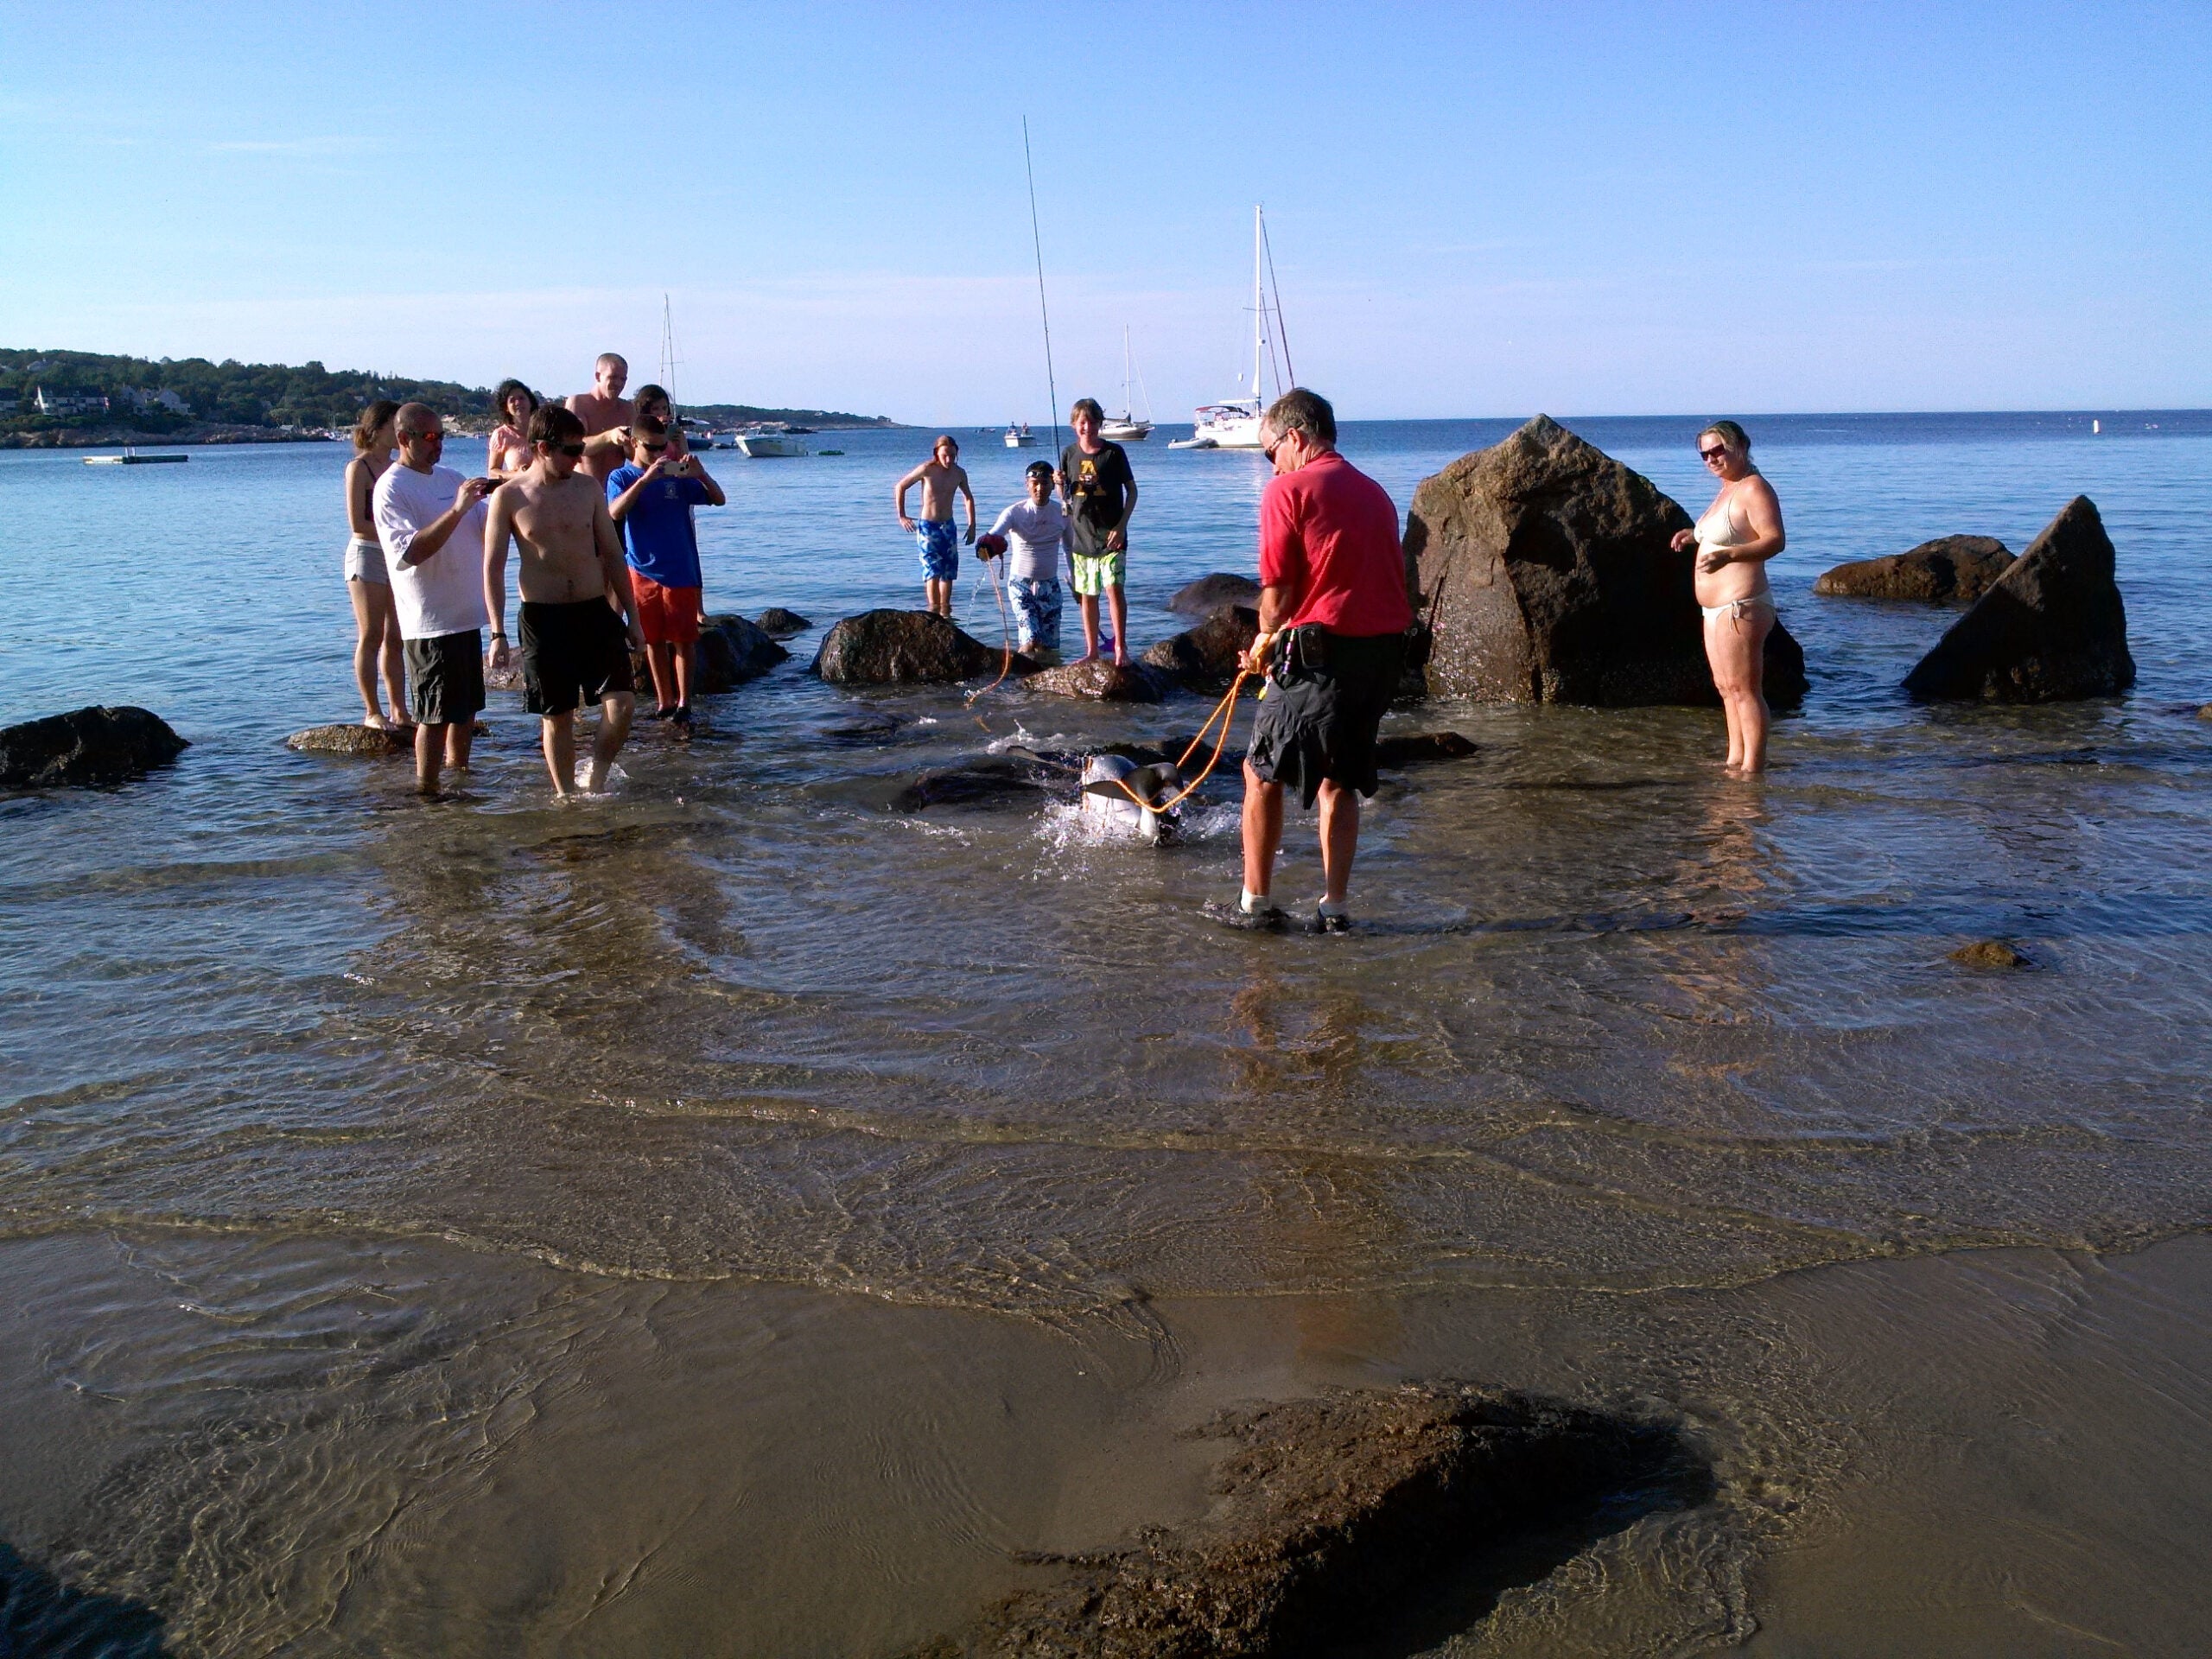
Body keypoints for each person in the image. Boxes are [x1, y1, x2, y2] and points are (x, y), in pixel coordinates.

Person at [1231, 389, 1412, 934]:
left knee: (1260, 772)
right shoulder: (1375, 492)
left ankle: (1256, 905)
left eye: (1269, 452)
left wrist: (1263, 643)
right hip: (1382, 656)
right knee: (1340, 780)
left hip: (1322, 657)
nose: (1271, 465)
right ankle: (1335, 908)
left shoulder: (1288, 489)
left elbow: (1280, 595)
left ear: (1296, 437)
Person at [484, 404, 643, 796]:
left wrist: (633, 619)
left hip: (593, 609)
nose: (579, 459)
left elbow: (612, 555)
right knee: (558, 717)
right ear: (542, 447)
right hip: (542, 618)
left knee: (622, 704)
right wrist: (498, 633)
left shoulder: (587, 488)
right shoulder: (509, 497)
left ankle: (598, 778)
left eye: (580, 450)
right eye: (571, 451)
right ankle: (565, 796)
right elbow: (492, 568)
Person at [372, 404, 493, 794]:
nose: (438, 444)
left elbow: (487, 525)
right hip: (428, 621)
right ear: (403, 439)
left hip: (465, 615)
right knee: (434, 714)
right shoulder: (391, 488)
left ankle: (459, 779)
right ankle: (426, 790)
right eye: (429, 437)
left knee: (466, 712)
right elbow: (410, 552)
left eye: (442, 436)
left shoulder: (451, 478)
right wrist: (459, 508)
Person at [1669, 420, 1785, 773]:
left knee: (1745, 689)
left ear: (1741, 446)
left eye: (1718, 450)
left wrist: (1729, 556)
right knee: (1726, 687)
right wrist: (1694, 534)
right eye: (1704, 454)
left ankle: (1753, 769)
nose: (1711, 459)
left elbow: (1774, 540)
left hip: (1742, 605)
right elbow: (1728, 529)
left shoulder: (1754, 488)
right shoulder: (1726, 489)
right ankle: (1735, 759)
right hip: (1714, 608)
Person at [607, 416, 727, 721]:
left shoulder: (678, 478)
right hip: (642, 571)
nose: (660, 455)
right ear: (635, 443)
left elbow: (718, 499)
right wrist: (645, 480)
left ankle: (685, 702)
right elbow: (614, 512)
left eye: (664, 448)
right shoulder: (621, 477)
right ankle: (665, 701)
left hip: (680, 571)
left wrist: (701, 475)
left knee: (683, 640)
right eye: (652, 448)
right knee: (653, 640)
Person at [342, 398, 409, 730]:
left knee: (397, 636)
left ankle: (400, 710)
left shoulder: (398, 468)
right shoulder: (360, 467)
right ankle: (372, 711)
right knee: (371, 634)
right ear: (378, 428)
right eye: (393, 425)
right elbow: (358, 522)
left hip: (395, 557)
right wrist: (400, 535)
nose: (399, 432)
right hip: (367, 554)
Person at [1057, 397, 1137, 664]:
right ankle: (1092, 651)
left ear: (1100, 424)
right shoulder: (1068, 454)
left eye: (1092, 422)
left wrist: (1121, 526)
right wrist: (1059, 484)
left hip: (1112, 537)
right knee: (1088, 596)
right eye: (1082, 422)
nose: (1087, 427)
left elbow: (1132, 491)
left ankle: (1120, 649)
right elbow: (1066, 498)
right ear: (1073, 425)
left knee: (1114, 589)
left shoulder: (1113, 454)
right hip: (1081, 539)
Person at [978, 460, 1069, 660]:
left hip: (1051, 586)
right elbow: (995, 533)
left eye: (1044, 483)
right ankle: (1018, 683)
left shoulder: (1062, 512)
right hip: (1021, 586)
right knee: (1029, 642)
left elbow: (1069, 549)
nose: (1039, 488)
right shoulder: (1015, 512)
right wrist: (986, 545)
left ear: (1053, 485)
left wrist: (1075, 582)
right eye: (1034, 482)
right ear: (1026, 484)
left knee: (1049, 649)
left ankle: (1044, 687)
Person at [893, 435, 976, 617]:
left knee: (948, 571)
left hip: (948, 526)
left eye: (952, 456)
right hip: (928, 527)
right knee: (932, 571)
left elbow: (968, 497)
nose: (949, 460)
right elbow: (900, 486)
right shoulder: (927, 469)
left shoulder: (959, 473)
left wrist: (972, 526)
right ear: (937, 454)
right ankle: (934, 612)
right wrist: (902, 516)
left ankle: (946, 612)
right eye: (945, 455)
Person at [564, 353, 635, 485]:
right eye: (613, 377)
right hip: (582, 490)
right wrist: (609, 437)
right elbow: (575, 447)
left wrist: (628, 444)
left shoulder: (627, 409)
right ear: (598, 376)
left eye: (623, 379)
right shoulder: (578, 403)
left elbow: (633, 456)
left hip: (614, 491)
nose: (619, 384)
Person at [486, 379, 540, 477]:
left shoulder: (544, 429)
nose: (517, 402)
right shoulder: (501, 435)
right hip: (519, 489)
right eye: (512, 400)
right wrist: (516, 474)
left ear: (530, 402)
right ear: (506, 407)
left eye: (521, 398)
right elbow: (493, 472)